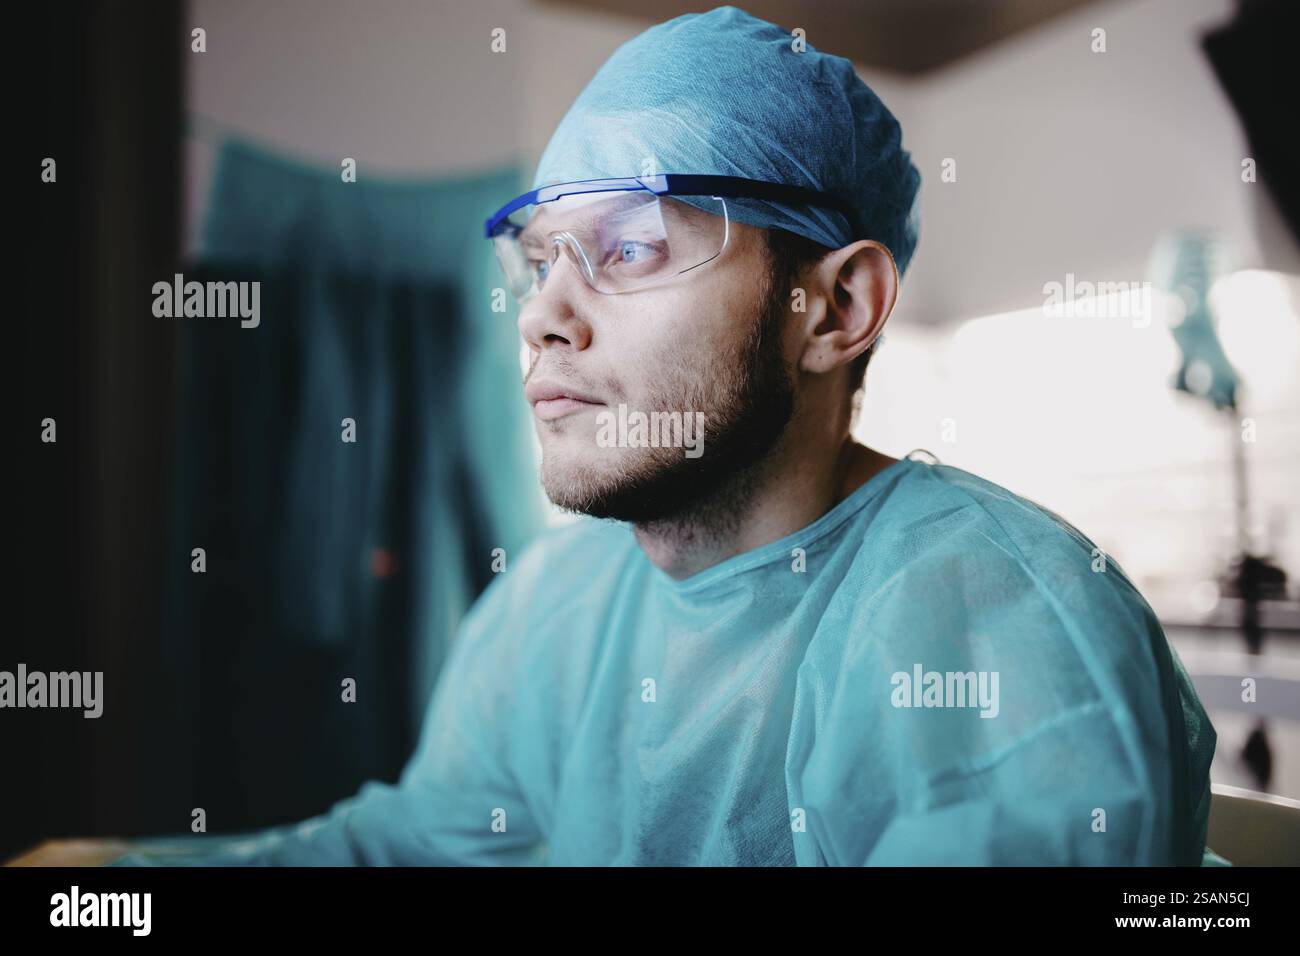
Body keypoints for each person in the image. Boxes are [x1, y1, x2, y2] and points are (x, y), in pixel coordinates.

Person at [10, 4, 1219, 867]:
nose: (544, 313)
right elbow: (409, 849)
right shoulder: (554, 601)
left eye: (632, 243)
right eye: (538, 259)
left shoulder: (999, 628)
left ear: (833, 307)